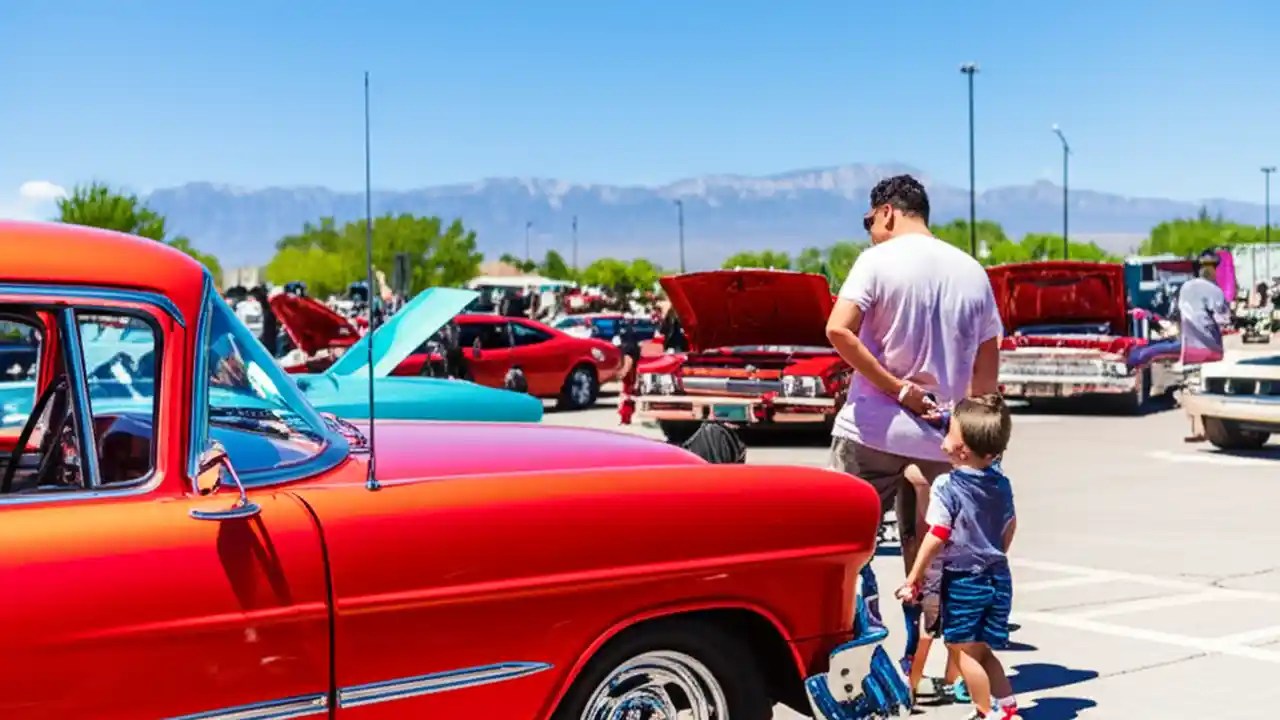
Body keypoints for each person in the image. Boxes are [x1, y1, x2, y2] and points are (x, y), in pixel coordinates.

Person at [825, 174, 1003, 601]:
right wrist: (981, 444)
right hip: (942, 440)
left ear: (888, 212)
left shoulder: (876, 261)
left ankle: (857, 635)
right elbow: (985, 374)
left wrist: (897, 388)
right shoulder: (973, 272)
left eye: (869, 221)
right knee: (931, 549)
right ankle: (922, 650)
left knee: (848, 546)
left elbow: (838, 330)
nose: (870, 232)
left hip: (871, 432)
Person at [896, 394, 1018, 720]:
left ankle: (986, 712)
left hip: (965, 580)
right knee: (982, 650)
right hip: (998, 576)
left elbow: (937, 534)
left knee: (964, 654)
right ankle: (1008, 709)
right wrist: (995, 555)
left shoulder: (946, 486)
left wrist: (914, 576)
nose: (943, 435)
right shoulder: (1001, 484)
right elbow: (1010, 527)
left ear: (961, 449)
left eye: (948, 430)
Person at [1126, 253, 1231, 369]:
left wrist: (1151, 316)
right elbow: (1223, 320)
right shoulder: (1214, 290)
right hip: (1205, 346)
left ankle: (1130, 371)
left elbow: (1173, 316)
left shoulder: (1187, 287)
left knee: (1140, 353)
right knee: (1145, 349)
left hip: (1193, 346)